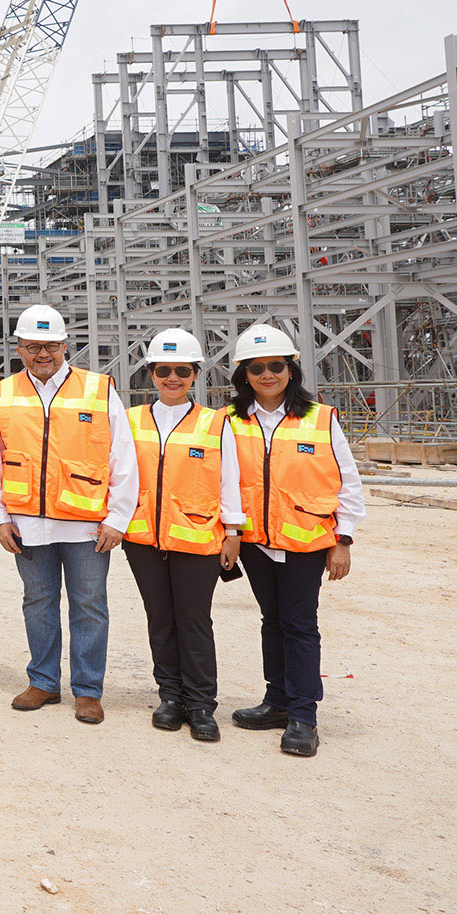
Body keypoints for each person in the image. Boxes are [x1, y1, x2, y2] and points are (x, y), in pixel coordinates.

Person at [0, 304, 138, 725]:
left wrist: (118, 518)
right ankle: (44, 681)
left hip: (86, 525)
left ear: (65, 346)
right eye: (33, 346)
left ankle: (87, 690)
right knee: (38, 603)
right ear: (19, 348)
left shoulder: (98, 389)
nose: (42, 354)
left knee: (89, 606)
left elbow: (122, 455)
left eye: (50, 346)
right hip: (27, 523)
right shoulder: (1, 393)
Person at [223, 323, 363, 758]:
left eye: (276, 366)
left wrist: (343, 539)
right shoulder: (229, 420)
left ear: (291, 370)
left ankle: (304, 715)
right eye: (257, 368)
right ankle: (278, 701)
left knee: (300, 625)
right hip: (255, 541)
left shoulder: (320, 418)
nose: (267, 374)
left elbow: (348, 482)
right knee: (272, 620)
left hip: (306, 542)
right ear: (244, 374)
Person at [122, 328, 245, 742]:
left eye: (182, 371)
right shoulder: (131, 420)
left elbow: (229, 478)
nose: (172, 378)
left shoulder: (215, 423)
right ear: (151, 374)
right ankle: (170, 697)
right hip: (143, 539)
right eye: (163, 371)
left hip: (197, 538)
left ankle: (201, 704)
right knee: (160, 619)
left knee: (193, 621)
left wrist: (232, 530)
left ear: (195, 374)